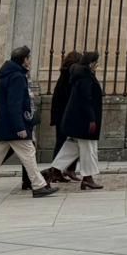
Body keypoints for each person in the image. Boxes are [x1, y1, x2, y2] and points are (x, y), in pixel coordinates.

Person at [0, 46, 57, 200]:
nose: (30, 61)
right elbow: (14, 104)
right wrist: (20, 127)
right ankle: (39, 186)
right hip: (14, 126)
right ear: (24, 60)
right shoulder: (17, 76)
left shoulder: (8, 74)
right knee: (28, 154)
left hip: (6, 125)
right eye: (28, 58)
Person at [48, 51, 104, 189]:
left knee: (71, 148)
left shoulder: (80, 75)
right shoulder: (84, 77)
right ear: (91, 63)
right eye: (96, 63)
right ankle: (88, 178)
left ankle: (53, 171)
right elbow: (86, 100)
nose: (97, 65)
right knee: (88, 148)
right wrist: (92, 119)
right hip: (84, 121)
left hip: (76, 120)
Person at [39, 51, 81, 184]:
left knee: (68, 143)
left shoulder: (66, 74)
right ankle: (56, 171)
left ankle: (64, 170)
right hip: (65, 116)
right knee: (64, 143)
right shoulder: (69, 76)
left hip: (62, 115)